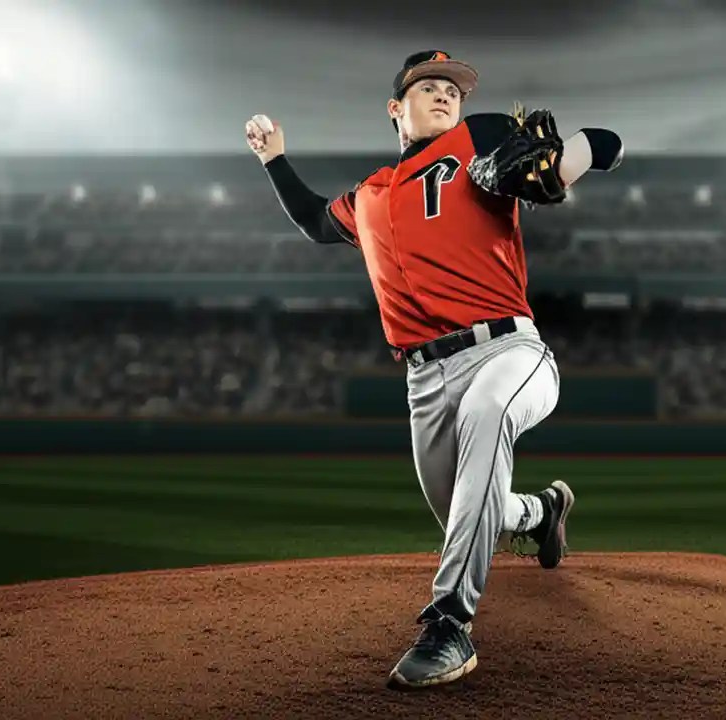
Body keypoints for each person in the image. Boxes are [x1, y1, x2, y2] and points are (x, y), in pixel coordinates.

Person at [246, 50, 623, 690]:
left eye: (453, 87)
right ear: (397, 107)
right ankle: (542, 513)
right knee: (467, 510)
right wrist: (274, 160)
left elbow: (571, 160)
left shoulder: (480, 139)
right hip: (423, 379)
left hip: (509, 351)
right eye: (428, 86)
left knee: (486, 416)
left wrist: (585, 151)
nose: (446, 93)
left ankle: (450, 624)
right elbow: (314, 221)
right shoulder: (369, 195)